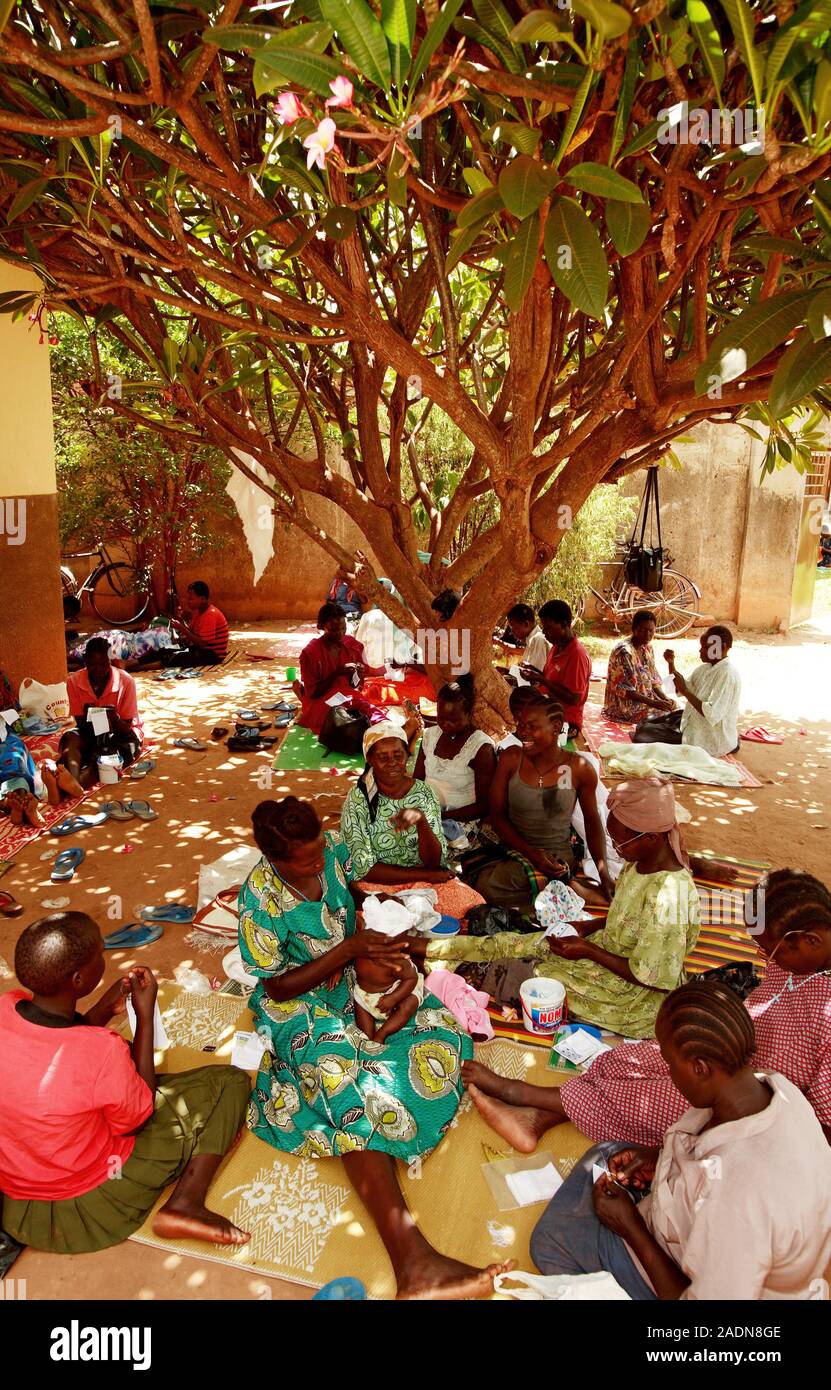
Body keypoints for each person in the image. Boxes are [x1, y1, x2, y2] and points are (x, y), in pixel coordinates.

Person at [237, 797, 511, 1299]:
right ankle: (412, 1261)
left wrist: (379, 944)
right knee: (344, 1085)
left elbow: (357, 892)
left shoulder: (333, 851)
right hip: (298, 1004)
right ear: (275, 860)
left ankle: (385, 1096)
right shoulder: (261, 898)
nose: (319, 861)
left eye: (320, 849)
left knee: (440, 1027)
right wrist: (349, 951)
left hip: (351, 977)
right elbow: (275, 988)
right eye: (306, 858)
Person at [463, 868, 831, 1149]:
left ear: (810, 941)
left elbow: (819, 1130)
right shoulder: (799, 960)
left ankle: (522, 1094)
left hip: (756, 1107)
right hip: (729, 1055)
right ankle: (541, 1119)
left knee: (655, 1097)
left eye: (767, 950)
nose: (764, 959)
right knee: (624, 1059)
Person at [528, 980, 831, 1300]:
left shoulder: (736, 1201)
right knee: (607, 1154)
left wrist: (631, 1228)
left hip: (686, 1278)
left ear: (700, 1068)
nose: (667, 1073)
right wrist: (660, 1159)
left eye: (670, 1064)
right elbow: (710, 1152)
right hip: (708, 1230)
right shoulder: (778, 1089)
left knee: (549, 1241)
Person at [0, 912, 251, 1253]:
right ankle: (186, 1202)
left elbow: (59, 1056)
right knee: (230, 1082)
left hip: (21, 1205)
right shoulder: (101, 1051)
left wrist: (105, 1007)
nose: (103, 956)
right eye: (99, 954)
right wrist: (144, 1018)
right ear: (78, 979)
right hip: (95, 1205)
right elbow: (138, 1115)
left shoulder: (7, 1007)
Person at [432, 776, 700, 1039]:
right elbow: (628, 918)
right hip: (606, 952)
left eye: (619, 843)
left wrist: (588, 950)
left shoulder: (670, 897)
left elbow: (649, 975)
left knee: (531, 977)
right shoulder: (642, 862)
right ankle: (423, 946)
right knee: (519, 943)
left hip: (632, 996)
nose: (615, 850)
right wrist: (585, 927)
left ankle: (441, 963)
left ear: (651, 838)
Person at [465, 695, 614, 911]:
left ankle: (562, 890)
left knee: (491, 887)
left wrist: (604, 873)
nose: (522, 733)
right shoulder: (512, 759)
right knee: (485, 883)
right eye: (520, 725)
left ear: (555, 728)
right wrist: (531, 853)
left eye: (531, 727)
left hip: (556, 857)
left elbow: (592, 823)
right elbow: (497, 816)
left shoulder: (576, 768)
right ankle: (566, 893)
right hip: (514, 848)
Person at [340, 722, 484, 921]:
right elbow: (364, 869)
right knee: (372, 919)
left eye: (398, 755)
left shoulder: (424, 793)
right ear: (370, 759)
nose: (392, 762)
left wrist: (421, 821)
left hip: (424, 881)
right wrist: (424, 876)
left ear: (407, 755)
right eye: (382, 757)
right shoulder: (358, 800)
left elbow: (434, 862)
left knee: (471, 907)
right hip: (377, 886)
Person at [632, 626, 741, 757]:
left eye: (706, 647)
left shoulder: (727, 674)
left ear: (722, 647)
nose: (701, 651)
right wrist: (671, 664)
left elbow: (712, 714)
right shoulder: (705, 669)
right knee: (646, 722)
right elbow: (680, 688)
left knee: (643, 732)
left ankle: (729, 742)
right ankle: (732, 739)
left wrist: (684, 691)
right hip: (694, 720)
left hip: (708, 736)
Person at [413, 676, 495, 845]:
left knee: (414, 844)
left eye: (454, 720)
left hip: (460, 824)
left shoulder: (480, 748)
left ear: (469, 714)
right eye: (441, 718)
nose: (446, 725)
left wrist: (442, 816)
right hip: (427, 815)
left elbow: (484, 805)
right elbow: (417, 782)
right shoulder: (430, 736)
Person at [59, 636, 144, 788]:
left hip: (121, 735)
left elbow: (126, 727)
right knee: (70, 737)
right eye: (93, 665)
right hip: (90, 730)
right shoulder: (74, 682)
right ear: (85, 661)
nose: (98, 670)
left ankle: (73, 784)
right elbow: (81, 724)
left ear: (110, 661)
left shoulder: (126, 682)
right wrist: (93, 717)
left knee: (105, 758)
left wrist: (114, 719)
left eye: (104, 664)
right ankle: (72, 781)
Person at [297, 602, 387, 740]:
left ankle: (387, 729)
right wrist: (337, 673)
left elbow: (354, 686)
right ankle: (380, 732)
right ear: (321, 627)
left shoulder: (351, 645)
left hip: (346, 696)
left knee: (366, 710)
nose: (340, 634)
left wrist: (357, 673)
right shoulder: (311, 653)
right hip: (322, 701)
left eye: (343, 628)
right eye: (334, 630)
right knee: (344, 723)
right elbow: (313, 693)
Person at [520, 600, 591, 737]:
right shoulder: (556, 647)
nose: (545, 633)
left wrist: (542, 679)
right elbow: (554, 680)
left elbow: (574, 698)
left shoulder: (577, 655)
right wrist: (536, 672)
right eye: (543, 628)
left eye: (548, 628)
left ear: (564, 625)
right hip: (550, 712)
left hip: (567, 722)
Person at [602, 610, 676, 724]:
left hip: (646, 700)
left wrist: (664, 698)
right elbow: (624, 690)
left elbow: (653, 680)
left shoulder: (647, 648)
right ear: (634, 629)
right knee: (668, 718)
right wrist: (653, 702)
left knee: (674, 709)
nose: (647, 635)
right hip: (624, 706)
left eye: (651, 631)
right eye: (643, 630)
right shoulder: (624, 652)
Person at [161, 581, 229, 668]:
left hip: (212, 655)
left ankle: (140, 667)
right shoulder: (198, 612)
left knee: (175, 658)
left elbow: (202, 644)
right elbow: (192, 635)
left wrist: (182, 629)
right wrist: (181, 623)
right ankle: (138, 663)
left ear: (203, 599)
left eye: (191, 599)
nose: (188, 602)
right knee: (165, 650)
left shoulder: (210, 614)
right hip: (201, 650)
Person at [494, 603, 550, 673]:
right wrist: (508, 671)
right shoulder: (531, 640)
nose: (511, 632)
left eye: (514, 628)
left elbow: (535, 678)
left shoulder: (538, 640)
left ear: (526, 624)